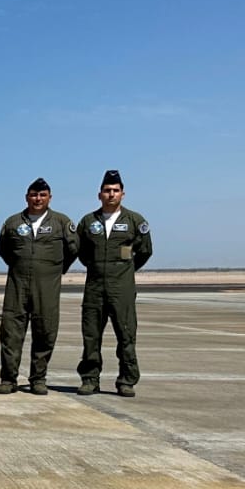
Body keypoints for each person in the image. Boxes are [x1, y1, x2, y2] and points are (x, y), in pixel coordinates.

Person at [0, 178, 78, 395]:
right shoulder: (13, 222)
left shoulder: (61, 222)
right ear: (26, 197)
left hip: (47, 286)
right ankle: (8, 378)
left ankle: (38, 379)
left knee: (45, 331)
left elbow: (73, 249)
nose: (38, 199)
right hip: (17, 284)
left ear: (49, 197)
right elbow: (4, 250)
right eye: (33, 194)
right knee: (11, 332)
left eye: (42, 195)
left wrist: (55, 270)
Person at [76, 169, 152, 397]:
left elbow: (144, 251)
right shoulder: (89, 222)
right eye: (107, 191)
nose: (111, 194)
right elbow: (81, 251)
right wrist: (99, 266)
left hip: (122, 290)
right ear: (99, 194)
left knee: (126, 335)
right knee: (91, 336)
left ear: (123, 194)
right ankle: (90, 379)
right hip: (95, 288)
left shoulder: (134, 221)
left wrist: (125, 271)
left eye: (115, 191)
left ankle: (126, 380)